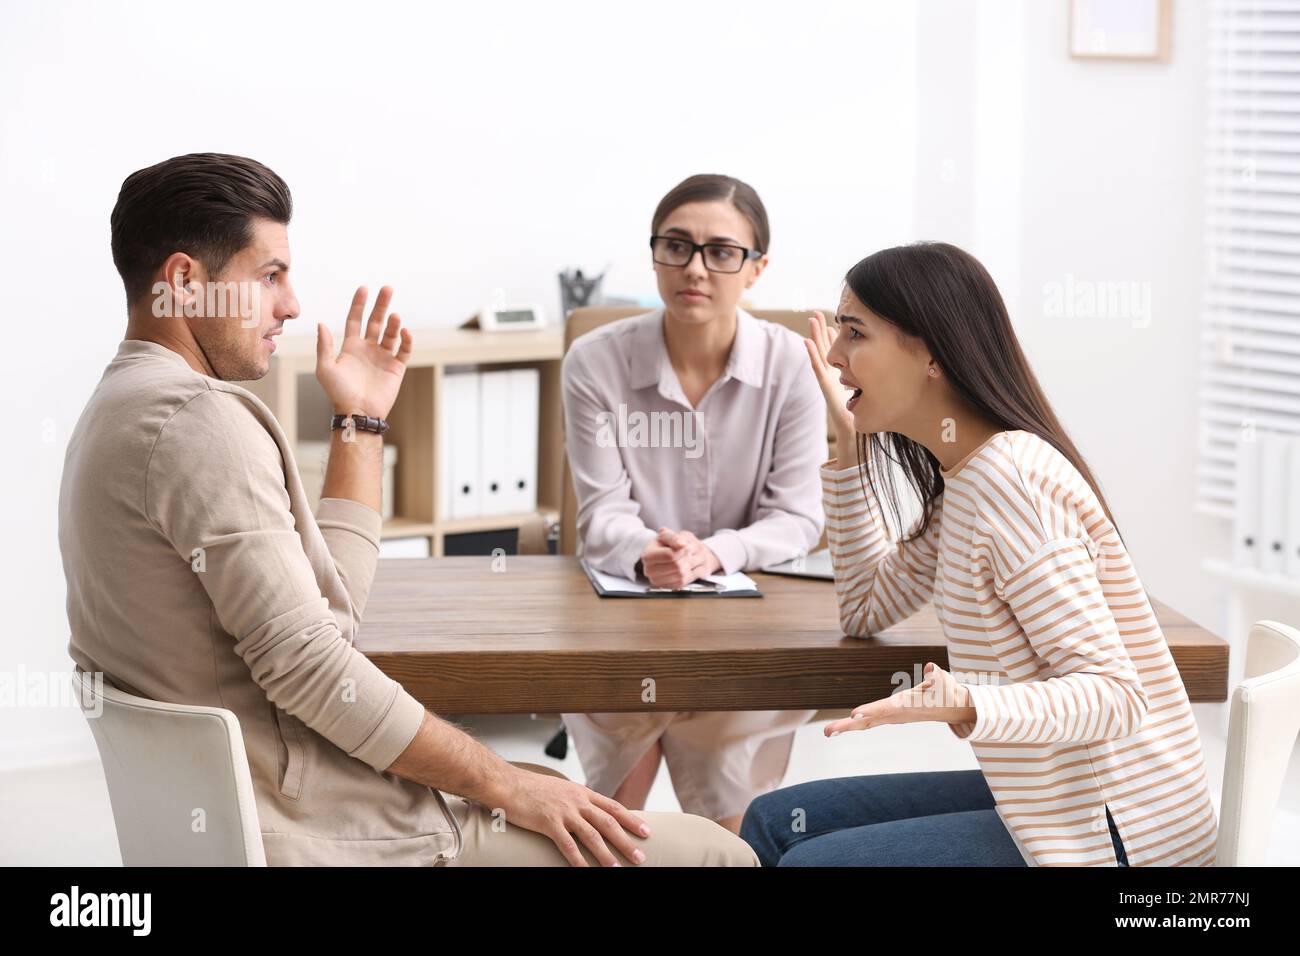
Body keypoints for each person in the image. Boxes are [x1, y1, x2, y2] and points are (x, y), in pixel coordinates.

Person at [59, 152, 757, 867]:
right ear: (183, 282)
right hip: (317, 832)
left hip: (258, 813)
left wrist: (359, 420)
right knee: (714, 851)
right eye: (269, 276)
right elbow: (310, 668)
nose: (292, 304)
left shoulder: (120, 408)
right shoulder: (198, 422)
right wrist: (503, 783)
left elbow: (328, 612)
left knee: (550, 784)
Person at [741, 241, 1219, 866]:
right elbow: (863, 608)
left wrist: (968, 699)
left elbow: (1116, 695)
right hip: (1051, 796)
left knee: (810, 861)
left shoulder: (1010, 485)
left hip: (1119, 832)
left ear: (932, 352)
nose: (832, 355)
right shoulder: (963, 478)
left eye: (853, 332)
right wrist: (850, 447)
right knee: (776, 823)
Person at [561, 174, 826, 834]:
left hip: (749, 620)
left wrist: (714, 554)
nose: (695, 268)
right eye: (675, 246)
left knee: (732, 830)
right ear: (655, 255)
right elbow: (602, 516)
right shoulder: (595, 362)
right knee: (614, 822)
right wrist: (648, 551)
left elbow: (798, 517)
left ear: (756, 268)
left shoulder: (794, 364)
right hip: (626, 613)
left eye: (721, 251)